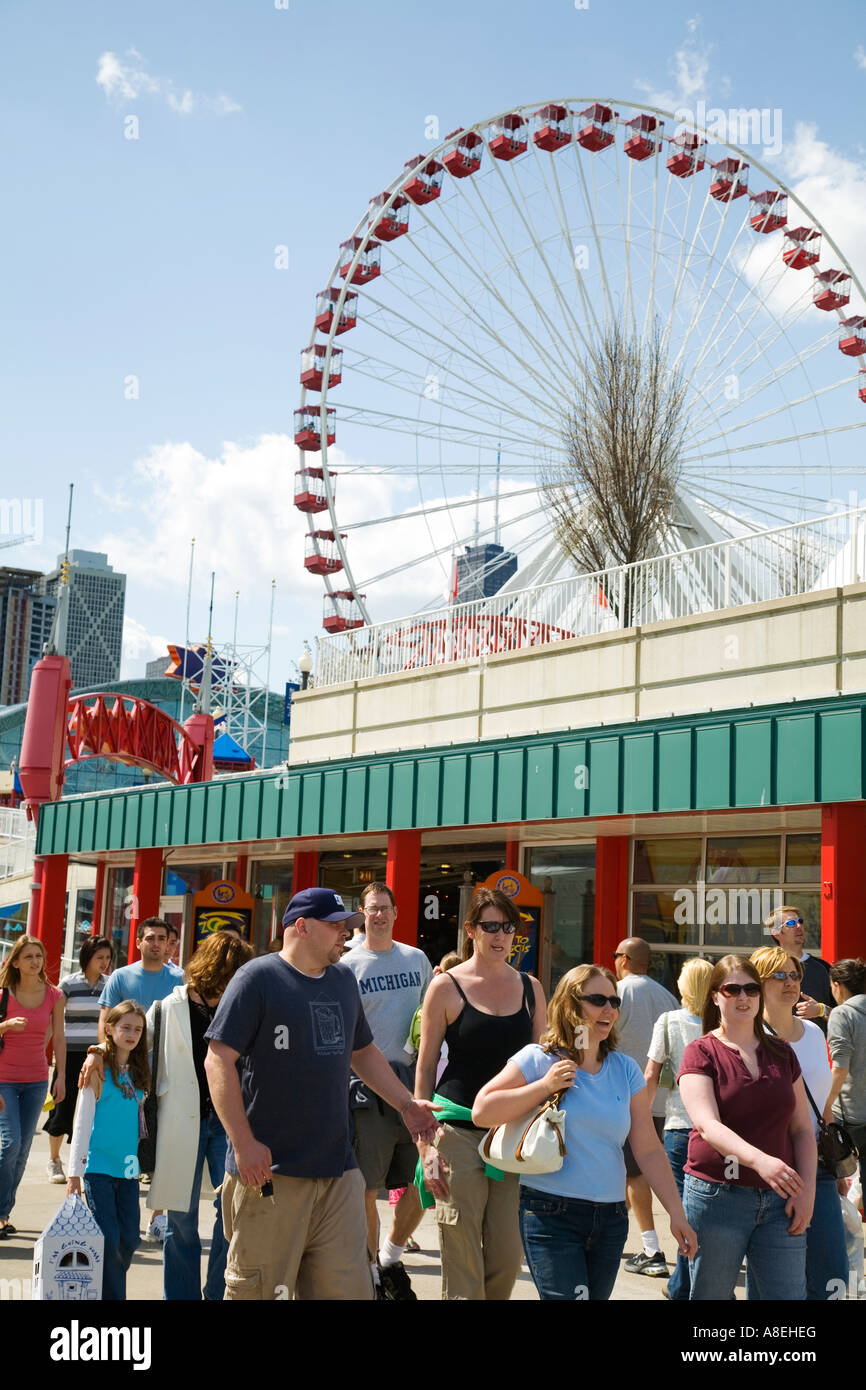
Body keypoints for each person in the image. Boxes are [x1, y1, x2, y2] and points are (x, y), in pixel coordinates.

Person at [203, 887, 441, 1300]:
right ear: (301, 927)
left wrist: (405, 1103)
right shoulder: (257, 978)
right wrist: (242, 1143)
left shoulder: (343, 979)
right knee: (259, 1292)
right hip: (269, 1172)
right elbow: (217, 1061)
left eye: (346, 926)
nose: (345, 935)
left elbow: (362, 1052)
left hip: (337, 1169)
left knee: (348, 1291)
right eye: (335, 926)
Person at [473, 964, 696, 1300]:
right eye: (597, 1000)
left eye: (614, 1001)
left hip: (611, 1218)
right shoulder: (539, 1059)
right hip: (551, 1214)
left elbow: (648, 1150)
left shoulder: (626, 1069)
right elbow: (482, 1111)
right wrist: (544, 1086)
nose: (609, 1009)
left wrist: (676, 1215)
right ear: (570, 1005)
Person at [414, 887, 547, 1300]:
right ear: (470, 930)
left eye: (508, 927)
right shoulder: (446, 987)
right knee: (462, 1254)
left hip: (510, 1136)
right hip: (455, 1130)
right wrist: (424, 1145)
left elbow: (541, 1062)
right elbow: (424, 1063)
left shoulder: (531, 988)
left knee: (507, 1259)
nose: (500, 935)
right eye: (490, 926)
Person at [678, 954, 816, 1300]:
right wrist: (761, 1161)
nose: (743, 997)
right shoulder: (700, 1052)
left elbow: (801, 1129)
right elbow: (707, 1125)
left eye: (751, 989)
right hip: (717, 1196)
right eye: (733, 989)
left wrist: (807, 1190)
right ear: (714, 996)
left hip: (782, 1198)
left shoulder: (782, 1052)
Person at [341, 881, 433, 1300]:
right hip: (365, 1088)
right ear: (362, 914)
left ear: (397, 913)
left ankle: (391, 1254)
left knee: (423, 1182)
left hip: (414, 1085)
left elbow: (433, 1017)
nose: (379, 915)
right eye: (372, 909)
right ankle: (371, 1272)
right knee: (367, 1187)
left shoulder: (416, 959)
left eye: (385, 908)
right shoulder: (346, 965)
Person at [751, 945, 847, 1301]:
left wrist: (836, 1164)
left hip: (817, 1168)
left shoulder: (814, 1033)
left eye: (795, 975)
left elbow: (822, 1101)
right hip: (768, 1171)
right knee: (773, 1285)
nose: (790, 982)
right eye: (779, 975)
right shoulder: (749, 1036)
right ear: (758, 983)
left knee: (830, 1275)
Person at [98, 917, 183, 1241]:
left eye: (162, 938)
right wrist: (102, 1060)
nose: (156, 943)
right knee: (127, 1144)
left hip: (163, 1075)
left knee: (161, 1147)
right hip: (123, 1076)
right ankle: (123, 1212)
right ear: (138, 942)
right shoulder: (120, 977)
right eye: (150, 938)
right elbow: (105, 1021)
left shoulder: (178, 978)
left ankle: (157, 1216)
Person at [66, 1001, 150, 1299]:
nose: (131, 1034)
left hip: (127, 1168)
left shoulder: (140, 1070)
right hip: (98, 1168)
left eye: (137, 1029)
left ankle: (105, 1288)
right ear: (110, 1029)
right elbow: (81, 1121)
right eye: (125, 1027)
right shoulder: (97, 1070)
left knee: (129, 1239)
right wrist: (74, 1174)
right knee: (108, 1239)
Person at [644, 956, 713, 1300]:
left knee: (683, 1209)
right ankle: (691, 1281)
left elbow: (652, 1074)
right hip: (716, 1129)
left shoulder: (669, 1022)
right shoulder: (719, 1023)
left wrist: (638, 1118)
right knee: (707, 1208)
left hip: (679, 1125)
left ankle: (683, 1284)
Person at [613, 936, 678, 1276]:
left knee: (634, 1173)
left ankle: (652, 1248)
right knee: (635, 1171)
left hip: (627, 1096)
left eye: (615, 955)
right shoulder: (666, 996)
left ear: (624, 959)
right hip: (664, 1101)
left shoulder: (621, 992)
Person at [0, 935, 66, 1236]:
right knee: (10, 1144)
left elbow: (60, 1039)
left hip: (37, 1080)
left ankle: (3, 1212)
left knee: (23, 1149)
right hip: (3, 1080)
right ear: (15, 961)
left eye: (38, 956)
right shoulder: (3, 994)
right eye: (28, 956)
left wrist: (61, 1076)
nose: (35, 962)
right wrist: (4, 1026)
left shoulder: (54, 995)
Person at [44, 936, 113, 1184]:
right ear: (87, 957)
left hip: (98, 1056)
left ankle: (83, 1161)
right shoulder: (69, 984)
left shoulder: (110, 985)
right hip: (69, 1056)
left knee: (92, 1111)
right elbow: (54, 1021)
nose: (104, 963)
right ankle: (54, 1159)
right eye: (99, 957)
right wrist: (43, 1051)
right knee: (62, 1107)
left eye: (107, 958)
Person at [824, 958, 866, 1203]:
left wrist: (824, 1103)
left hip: (850, 1115)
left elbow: (840, 1068)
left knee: (833, 1178)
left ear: (837, 985)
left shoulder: (843, 1014)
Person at [765, 905, 833, 1031]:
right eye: (791, 923)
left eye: (800, 921)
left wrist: (821, 1010)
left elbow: (842, 1016)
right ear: (776, 932)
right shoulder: (766, 968)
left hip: (814, 1046)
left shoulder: (823, 969)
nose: (799, 926)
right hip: (774, 1046)